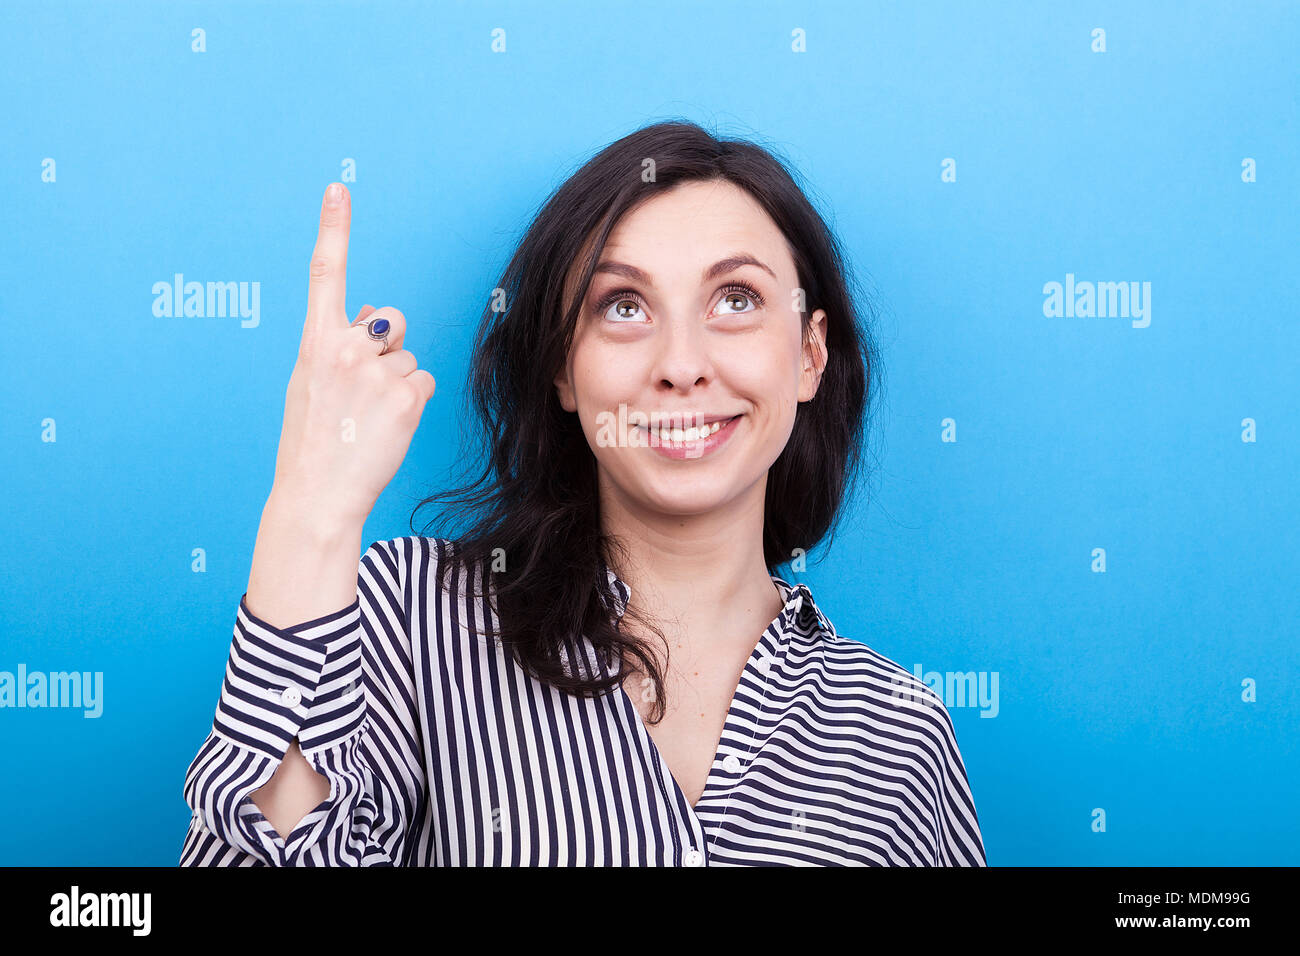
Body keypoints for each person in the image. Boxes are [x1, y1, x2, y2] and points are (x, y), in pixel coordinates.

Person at [180, 120, 986, 866]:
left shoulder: (898, 733)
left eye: (735, 299)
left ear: (810, 354)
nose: (681, 363)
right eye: (623, 306)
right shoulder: (416, 618)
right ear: (564, 369)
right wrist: (309, 509)